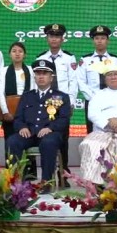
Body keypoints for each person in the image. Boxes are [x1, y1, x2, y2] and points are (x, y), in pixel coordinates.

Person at [6, 60, 71, 188]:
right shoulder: (27, 96)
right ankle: (17, 182)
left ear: (51, 77)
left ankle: (46, 182)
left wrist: (50, 128)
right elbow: (18, 118)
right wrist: (22, 127)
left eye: (45, 73)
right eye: (38, 74)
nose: (41, 76)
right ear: (34, 77)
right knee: (13, 141)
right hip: (29, 133)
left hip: (50, 134)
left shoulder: (61, 96)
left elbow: (64, 119)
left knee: (48, 142)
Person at [36, 23, 78, 175]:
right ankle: (47, 172)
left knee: (63, 138)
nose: (54, 39)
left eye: (57, 36)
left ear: (62, 39)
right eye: (51, 36)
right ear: (47, 38)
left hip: (63, 103)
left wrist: (71, 103)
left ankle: (63, 172)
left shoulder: (69, 58)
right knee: (45, 136)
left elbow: (73, 82)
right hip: (45, 103)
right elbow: (37, 82)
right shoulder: (41, 58)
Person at [76, 25, 117, 133]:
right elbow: (81, 81)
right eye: (96, 38)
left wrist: (111, 96)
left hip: (111, 100)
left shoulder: (115, 60)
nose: (99, 41)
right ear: (93, 41)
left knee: (113, 130)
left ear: (108, 41)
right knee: (92, 132)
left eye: (103, 38)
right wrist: (93, 98)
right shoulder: (85, 60)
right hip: (92, 100)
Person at [0, 42, 33, 158]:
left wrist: (29, 111)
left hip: (27, 112)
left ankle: (28, 169)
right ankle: (11, 169)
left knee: (27, 140)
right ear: (9, 54)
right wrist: (5, 111)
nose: (17, 54)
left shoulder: (30, 70)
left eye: (20, 51)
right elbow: (0, 93)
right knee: (10, 142)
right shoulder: (4, 70)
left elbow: (33, 91)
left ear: (25, 55)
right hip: (9, 112)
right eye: (14, 51)